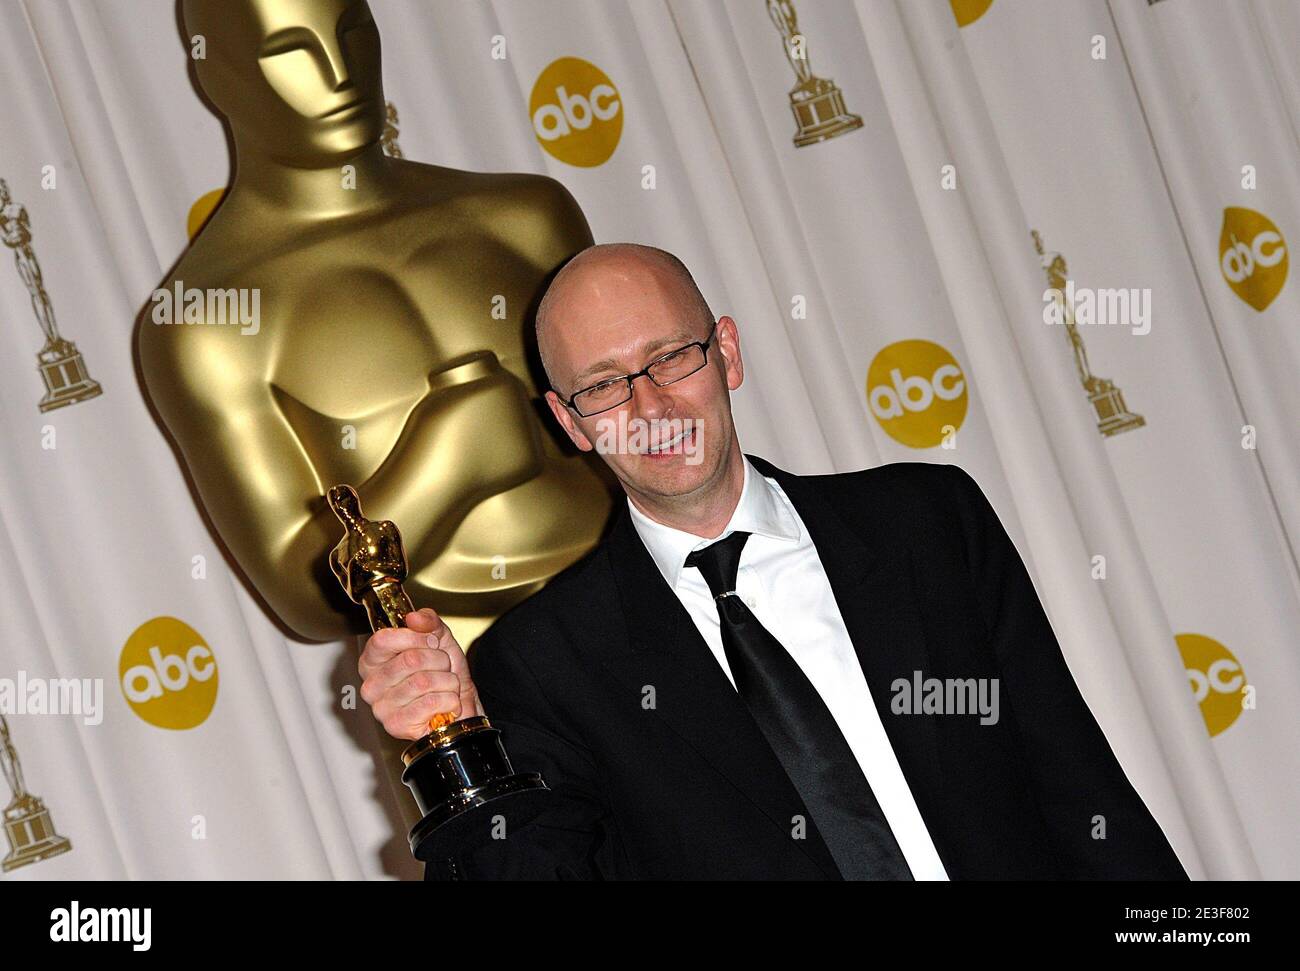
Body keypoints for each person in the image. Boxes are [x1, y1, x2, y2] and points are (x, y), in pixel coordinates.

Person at [358, 243, 1190, 881]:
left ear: (727, 352)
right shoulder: (541, 666)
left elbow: (1079, 787)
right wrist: (454, 751)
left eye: (671, 357)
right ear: (570, 423)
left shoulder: (925, 525)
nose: (649, 406)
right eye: (605, 386)